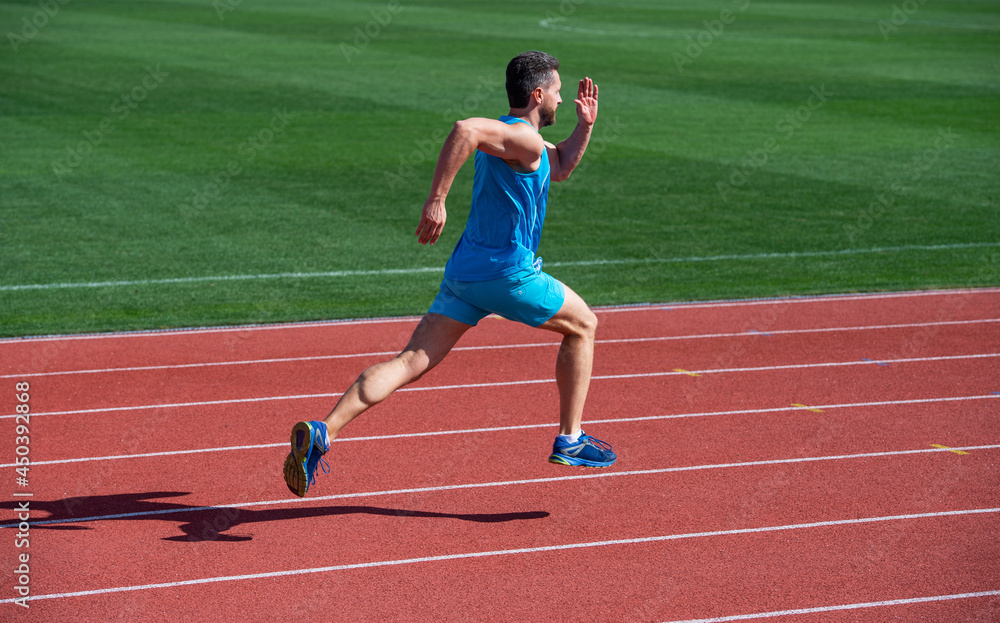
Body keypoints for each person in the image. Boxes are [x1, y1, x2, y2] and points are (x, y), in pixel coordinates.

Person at [283, 50, 616, 498]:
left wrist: (586, 126)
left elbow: (560, 170)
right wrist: (438, 197)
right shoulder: (524, 139)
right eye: (557, 91)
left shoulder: (524, 143)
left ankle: (325, 430)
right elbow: (465, 129)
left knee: (410, 361)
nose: (561, 98)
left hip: (465, 275)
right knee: (584, 326)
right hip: (508, 274)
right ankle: (571, 439)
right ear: (538, 94)